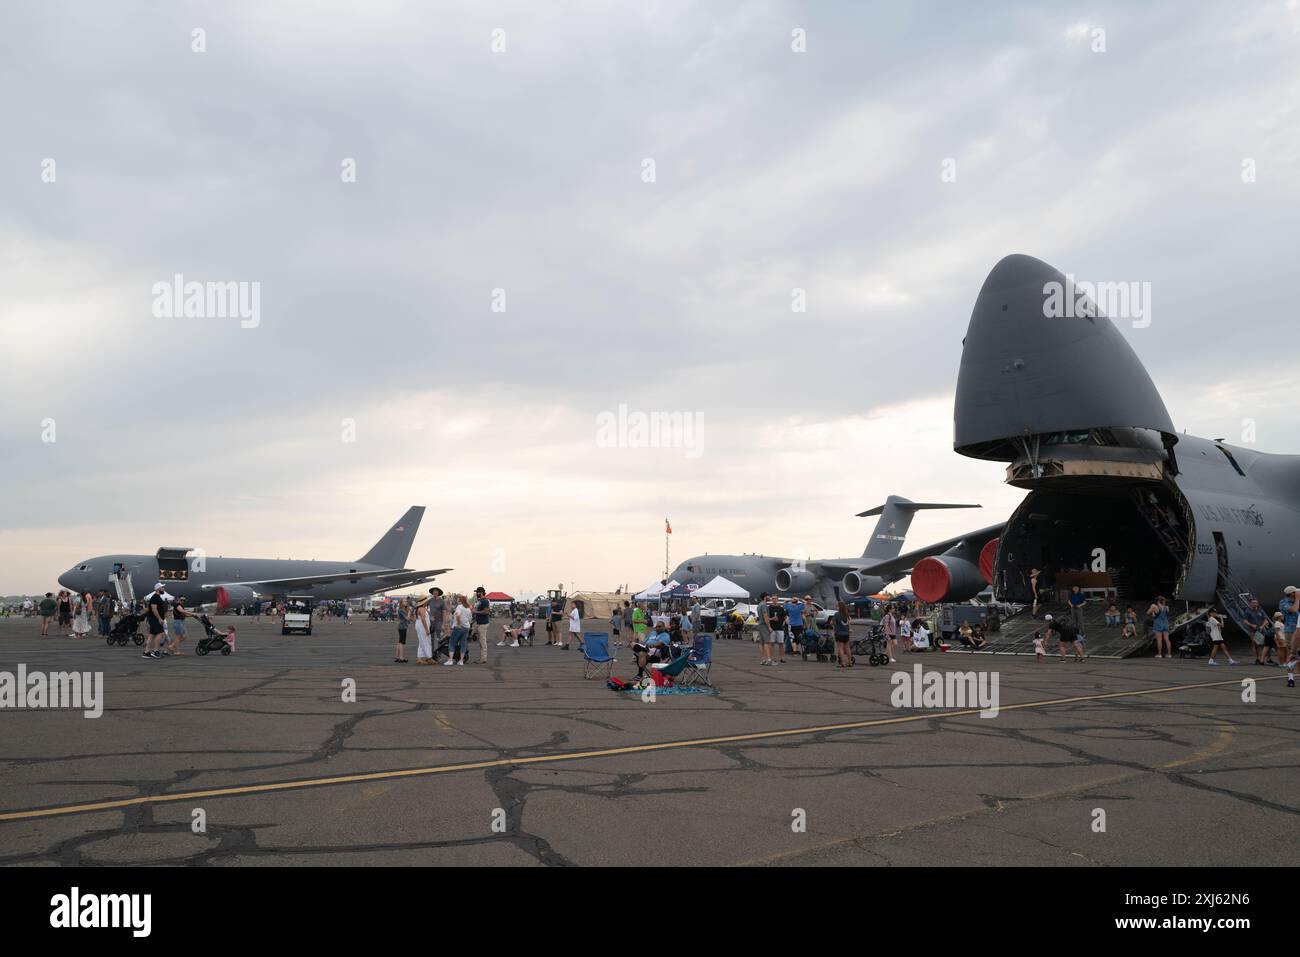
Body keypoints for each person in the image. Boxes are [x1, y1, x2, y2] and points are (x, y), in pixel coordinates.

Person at [142, 583, 168, 659]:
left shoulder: (157, 597)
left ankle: (146, 652)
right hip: (155, 619)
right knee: (160, 633)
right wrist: (159, 618)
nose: (164, 589)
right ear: (158, 589)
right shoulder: (155, 597)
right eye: (162, 587)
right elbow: (154, 609)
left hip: (154, 618)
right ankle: (155, 651)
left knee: (152, 634)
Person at [446, 596, 472, 666]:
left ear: (460, 600)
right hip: (466, 628)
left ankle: (450, 660)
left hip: (458, 628)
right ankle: (461, 661)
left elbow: (458, 615)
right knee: (463, 644)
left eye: (458, 599)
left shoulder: (459, 607)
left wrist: (458, 623)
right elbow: (470, 619)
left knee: (452, 643)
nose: (457, 600)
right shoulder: (468, 608)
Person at [763, 593, 786, 666]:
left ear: (777, 599)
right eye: (773, 599)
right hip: (772, 628)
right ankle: (771, 658)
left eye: (775, 598)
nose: (774, 600)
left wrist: (784, 623)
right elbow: (766, 618)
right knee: (772, 644)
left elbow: (785, 617)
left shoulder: (781, 608)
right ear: (771, 600)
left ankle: (782, 658)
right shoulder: (769, 608)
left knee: (781, 644)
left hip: (780, 628)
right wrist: (772, 619)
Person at [473, 587, 492, 662]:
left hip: (483, 623)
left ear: (481, 592)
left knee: (482, 641)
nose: (476, 594)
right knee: (480, 641)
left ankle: (483, 658)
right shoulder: (480, 601)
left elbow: (486, 612)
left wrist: (476, 612)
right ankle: (482, 658)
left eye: (477, 592)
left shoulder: (485, 601)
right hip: (479, 623)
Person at [832, 601, 852, 668]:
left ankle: (843, 663)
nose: (836, 607)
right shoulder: (846, 614)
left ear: (839, 607)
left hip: (839, 633)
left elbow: (833, 623)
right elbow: (849, 623)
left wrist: (834, 630)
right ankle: (850, 662)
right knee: (847, 648)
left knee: (840, 648)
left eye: (837, 606)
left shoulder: (837, 614)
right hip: (846, 634)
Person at [414, 596, 434, 665]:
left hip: (419, 625)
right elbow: (423, 619)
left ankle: (419, 658)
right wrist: (427, 629)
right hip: (422, 626)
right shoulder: (422, 609)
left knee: (422, 642)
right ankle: (429, 657)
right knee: (426, 641)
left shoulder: (418, 608)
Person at [428, 588, 446, 656]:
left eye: (436, 591)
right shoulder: (430, 600)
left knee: (439, 638)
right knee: (431, 638)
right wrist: (430, 616)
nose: (435, 592)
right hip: (431, 622)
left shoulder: (442, 601)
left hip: (439, 621)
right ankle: (431, 653)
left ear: (438, 593)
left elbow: (444, 612)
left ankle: (439, 654)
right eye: (433, 591)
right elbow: (426, 609)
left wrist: (443, 624)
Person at [395, 597, 410, 663]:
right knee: (402, 642)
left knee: (399, 641)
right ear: (401, 603)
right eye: (404, 601)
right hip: (402, 627)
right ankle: (401, 657)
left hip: (401, 626)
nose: (405, 602)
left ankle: (397, 656)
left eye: (406, 601)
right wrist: (409, 612)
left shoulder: (402, 609)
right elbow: (407, 618)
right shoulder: (401, 610)